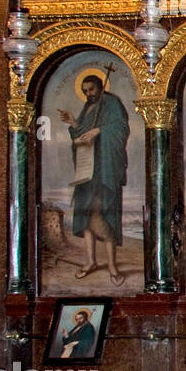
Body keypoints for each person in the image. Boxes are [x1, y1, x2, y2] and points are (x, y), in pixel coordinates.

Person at [58, 73, 130, 286]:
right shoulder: (88, 108)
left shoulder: (112, 103)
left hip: (105, 169)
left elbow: (121, 128)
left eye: (91, 89)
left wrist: (99, 130)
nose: (88, 94)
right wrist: (74, 124)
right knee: (86, 217)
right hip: (86, 170)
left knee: (102, 215)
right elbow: (81, 136)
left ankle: (113, 267)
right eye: (85, 91)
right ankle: (90, 261)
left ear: (100, 86)